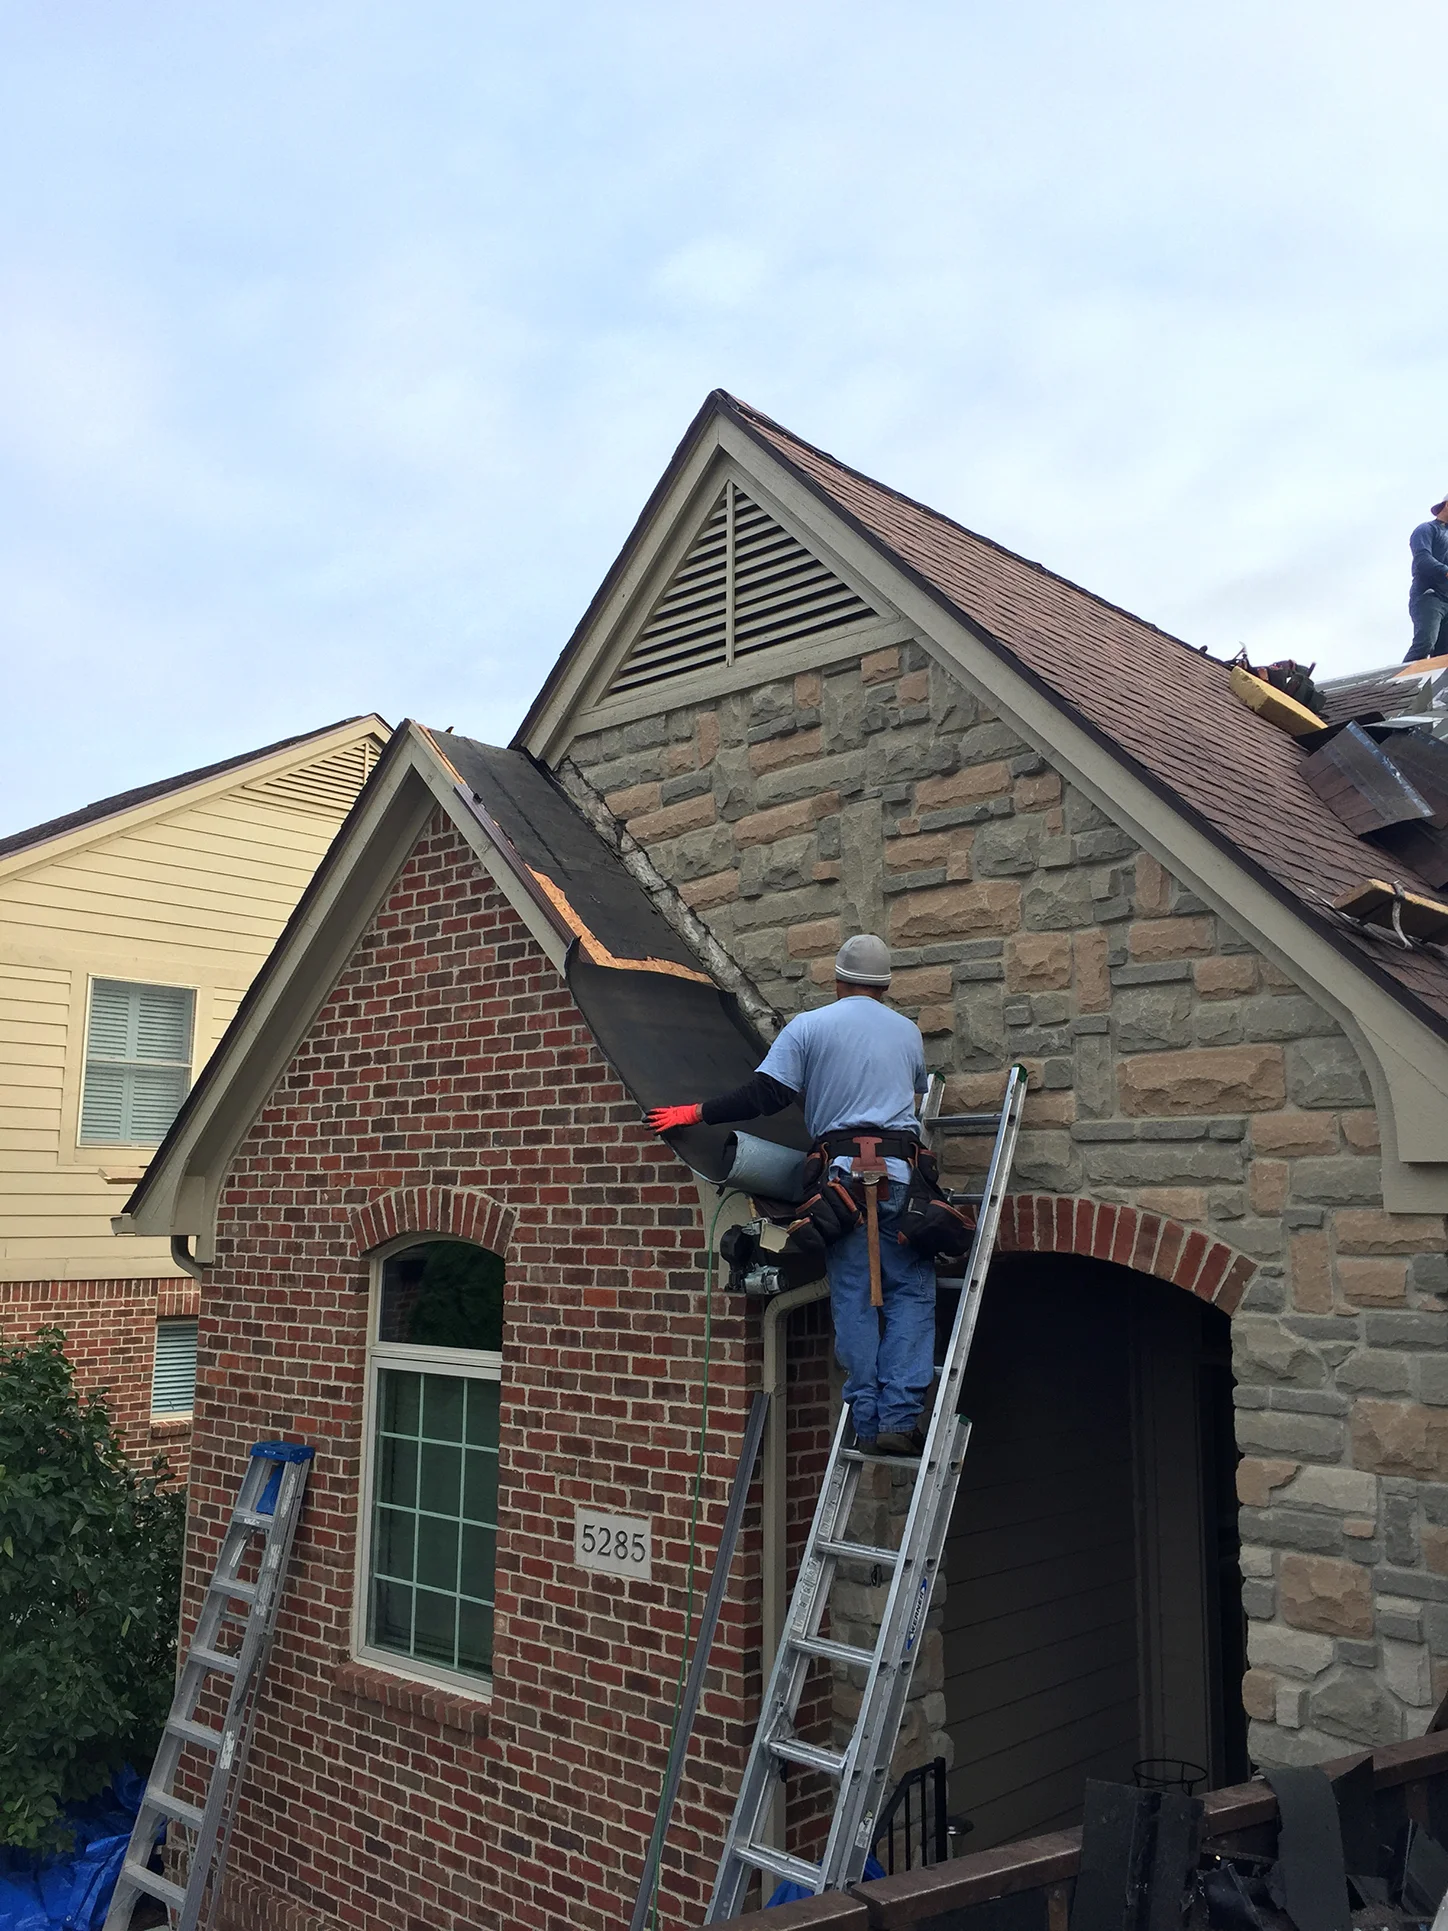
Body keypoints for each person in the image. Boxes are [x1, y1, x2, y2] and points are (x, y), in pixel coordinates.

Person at [646, 933, 938, 1456]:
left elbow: (765, 1095)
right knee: (909, 1293)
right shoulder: (908, 1032)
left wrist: (694, 1113)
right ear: (886, 985)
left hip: (843, 1179)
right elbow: (914, 1093)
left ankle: (868, 1422)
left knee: (854, 1293)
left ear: (838, 978)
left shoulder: (810, 1027)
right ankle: (900, 1417)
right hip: (900, 1173)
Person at [1406, 496, 1448, 663]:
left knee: (1443, 656)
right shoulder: (1427, 529)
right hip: (1428, 596)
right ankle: (1401, 684)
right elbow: (1422, 560)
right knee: (1425, 643)